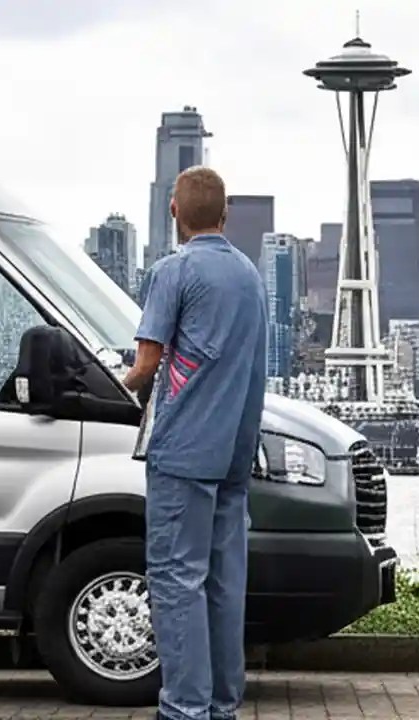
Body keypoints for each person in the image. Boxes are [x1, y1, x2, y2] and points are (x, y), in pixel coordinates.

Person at [122, 167, 268, 720]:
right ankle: (222, 707)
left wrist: (115, 383)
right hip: (235, 447)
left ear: (175, 213)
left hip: (184, 448)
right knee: (225, 580)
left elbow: (147, 363)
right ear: (224, 215)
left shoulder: (174, 271)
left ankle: (184, 709)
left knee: (176, 577)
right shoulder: (252, 277)